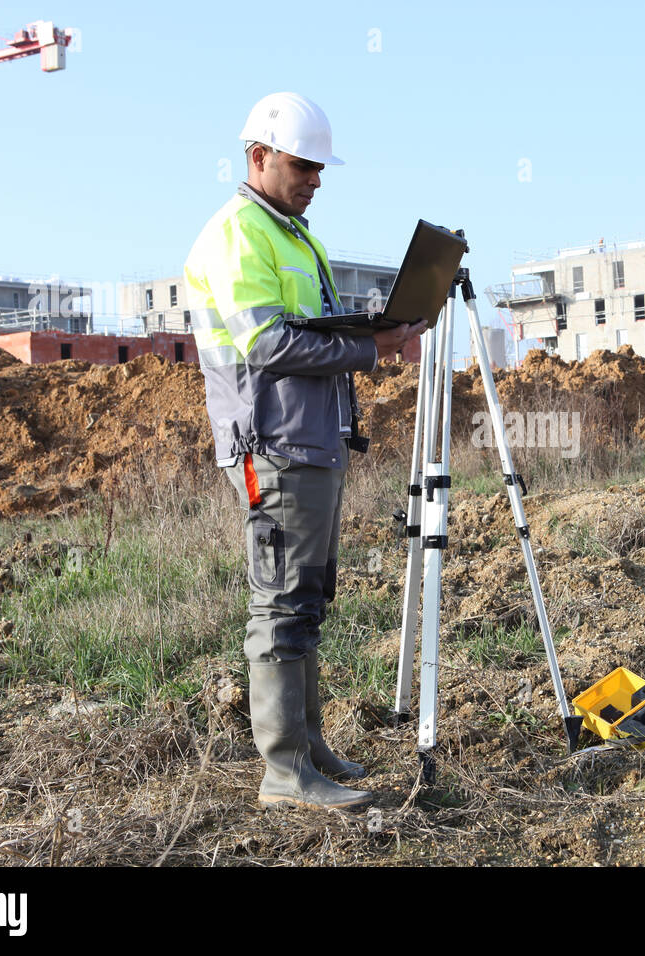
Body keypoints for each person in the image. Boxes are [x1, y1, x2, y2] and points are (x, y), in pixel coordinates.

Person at [184, 92, 422, 810]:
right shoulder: (238, 235)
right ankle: (285, 773)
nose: (315, 178)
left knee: (308, 599)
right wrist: (366, 346)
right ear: (258, 156)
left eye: (320, 168)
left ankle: (310, 747)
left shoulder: (292, 233)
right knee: (281, 604)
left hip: (311, 444)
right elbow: (265, 342)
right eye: (302, 165)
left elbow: (304, 327)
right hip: (271, 448)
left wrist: (369, 333)